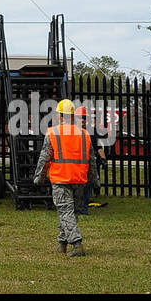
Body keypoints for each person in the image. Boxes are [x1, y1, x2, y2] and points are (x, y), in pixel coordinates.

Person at [34, 98, 97, 256]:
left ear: (60, 116)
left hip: (61, 178)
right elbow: (92, 161)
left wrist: (39, 177)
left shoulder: (53, 133)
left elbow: (44, 159)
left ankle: (77, 243)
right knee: (71, 212)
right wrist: (95, 180)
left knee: (65, 212)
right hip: (79, 179)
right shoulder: (84, 134)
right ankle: (62, 244)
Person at [74, 106, 107, 215]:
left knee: (87, 188)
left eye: (84, 117)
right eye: (80, 117)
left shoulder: (91, 132)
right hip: (74, 166)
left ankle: (83, 209)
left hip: (87, 166)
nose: (82, 120)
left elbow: (98, 147)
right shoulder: (71, 131)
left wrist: (103, 159)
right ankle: (77, 208)